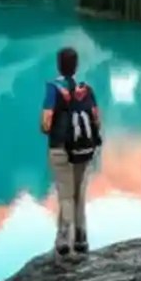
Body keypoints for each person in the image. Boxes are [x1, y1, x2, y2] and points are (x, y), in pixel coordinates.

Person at [41, 46, 102, 258]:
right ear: (76, 66)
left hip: (60, 149)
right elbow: (96, 119)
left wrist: (48, 129)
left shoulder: (53, 88)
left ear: (59, 65)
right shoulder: (86, 90)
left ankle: (64, 239)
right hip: (83, 149)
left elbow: (46, 122)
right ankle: (81, 238)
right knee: (79, 193)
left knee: (65, 195)